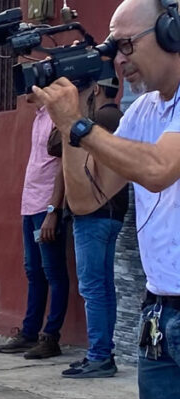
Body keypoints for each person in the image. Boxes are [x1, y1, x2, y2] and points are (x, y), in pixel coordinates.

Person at [33, 0, 180, 399]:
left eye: (125, 44)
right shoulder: (144, 111)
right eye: (110, 47)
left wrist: (81, 124)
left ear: (172, 30)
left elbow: (159, 170)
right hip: (161, 314)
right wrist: (67, 130)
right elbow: (89, 196)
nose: (117, 59)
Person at [48, 77, 130, 378]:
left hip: (92, 212)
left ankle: (99, 354)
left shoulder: (97, 121)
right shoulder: (118, 117)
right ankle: (102, 352)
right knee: (103, 286)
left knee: (93, 287)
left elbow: (55, 145)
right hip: (112, 212)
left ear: (95, 90)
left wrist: (71, 115)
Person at [0, 90, 69, 359]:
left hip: (46, 207)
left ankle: (51, 336)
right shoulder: (38, 117)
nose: (23, 89)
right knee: (34, 272)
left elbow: (63, 166)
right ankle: (29, 333)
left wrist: (53, 210)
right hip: (30, 206)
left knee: (53, 272)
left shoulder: (58, 117)